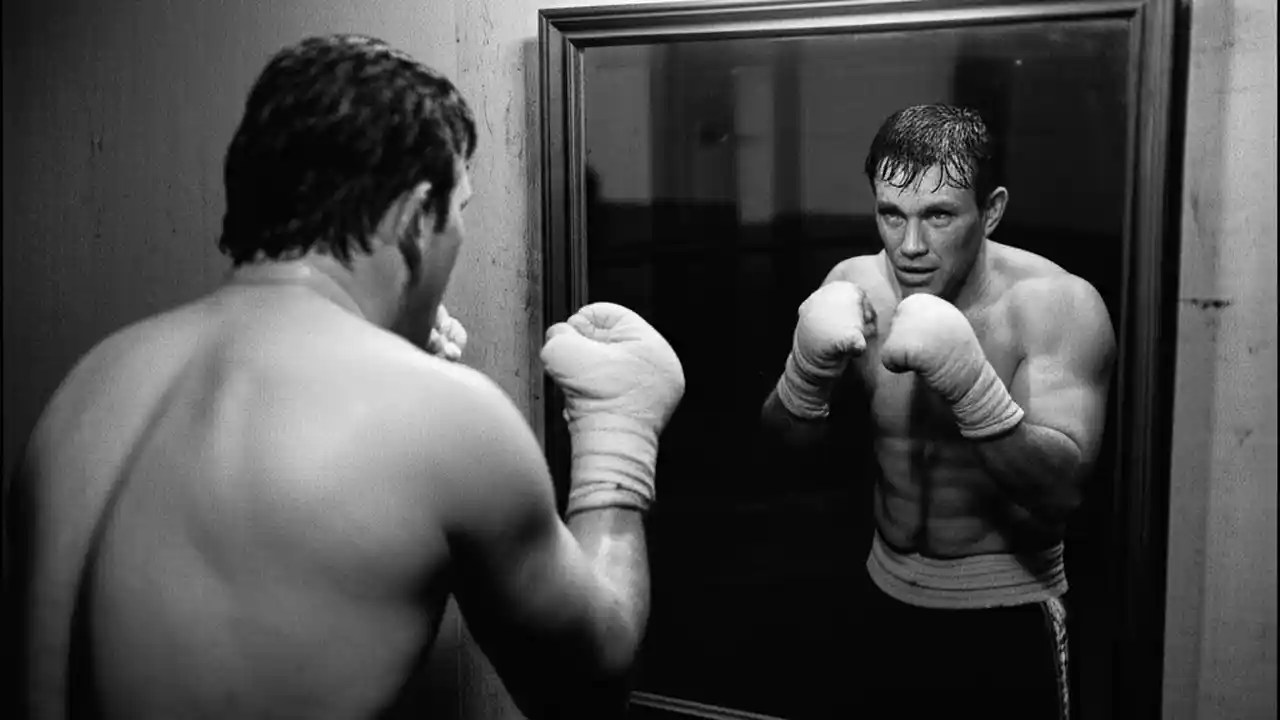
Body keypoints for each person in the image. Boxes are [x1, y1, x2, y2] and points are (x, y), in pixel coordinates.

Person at [5, 35, 684, 720]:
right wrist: (616, 432)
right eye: (460, 211)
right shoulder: (437, 417)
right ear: (417, 217)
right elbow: (587, 687)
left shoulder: (96, 378)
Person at [761, 104, 1116, 719]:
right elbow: (781, 447)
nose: (911, 246)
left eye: (940, 215)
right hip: (882, 589)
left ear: (993, 210)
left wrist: (971, 386)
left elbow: (1063, 493)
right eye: (891, 215)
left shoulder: (1056, 305)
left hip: (1006, 609)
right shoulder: (854, 285)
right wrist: (805, 375)